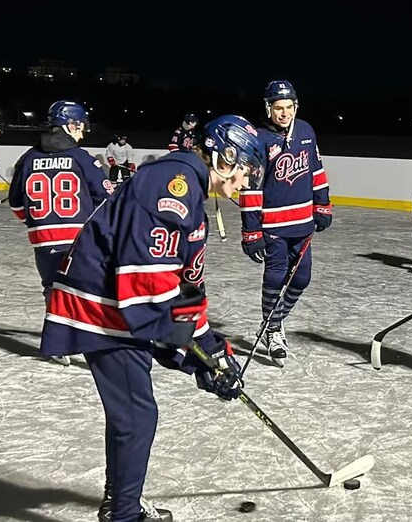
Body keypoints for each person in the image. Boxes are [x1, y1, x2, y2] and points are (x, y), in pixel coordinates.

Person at [40, 114, 262, 522]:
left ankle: (120, 503)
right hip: (102, 305)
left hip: (117, 304)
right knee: (136, 415)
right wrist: (193, 356)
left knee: (134, 413)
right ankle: (122, 513)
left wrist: (212, 351)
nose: (248, 182)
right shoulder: (173, 182)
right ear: (226, 155)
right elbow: (146, 282)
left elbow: (183, 286)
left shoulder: (192, 188)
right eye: (247, 169)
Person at [8, 100, 114, 366]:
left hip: (43, 239)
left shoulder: (28, 158)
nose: (84, 132)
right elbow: (105, 199)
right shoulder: (81, 157)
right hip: (79, 238)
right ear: (71, 125)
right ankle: (95, 342)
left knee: (52, 289)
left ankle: (58, 345)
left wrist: (35, 224)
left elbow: (17, 204)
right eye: (81, 127)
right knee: (90, 289)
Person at [239, 79, 332, 364]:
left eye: (288, 107)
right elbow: (250, 188)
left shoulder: (305, 131)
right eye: (278, 108)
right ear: (268, 108)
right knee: (277, 275)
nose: (284, 113)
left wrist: (323, 204)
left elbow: (316, 170)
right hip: (273, 226)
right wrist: (251, 231)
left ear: (296, 106)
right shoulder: (257, 140)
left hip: (302, 222)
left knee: (302, 278)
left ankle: (272, 322)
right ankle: (274, 330)